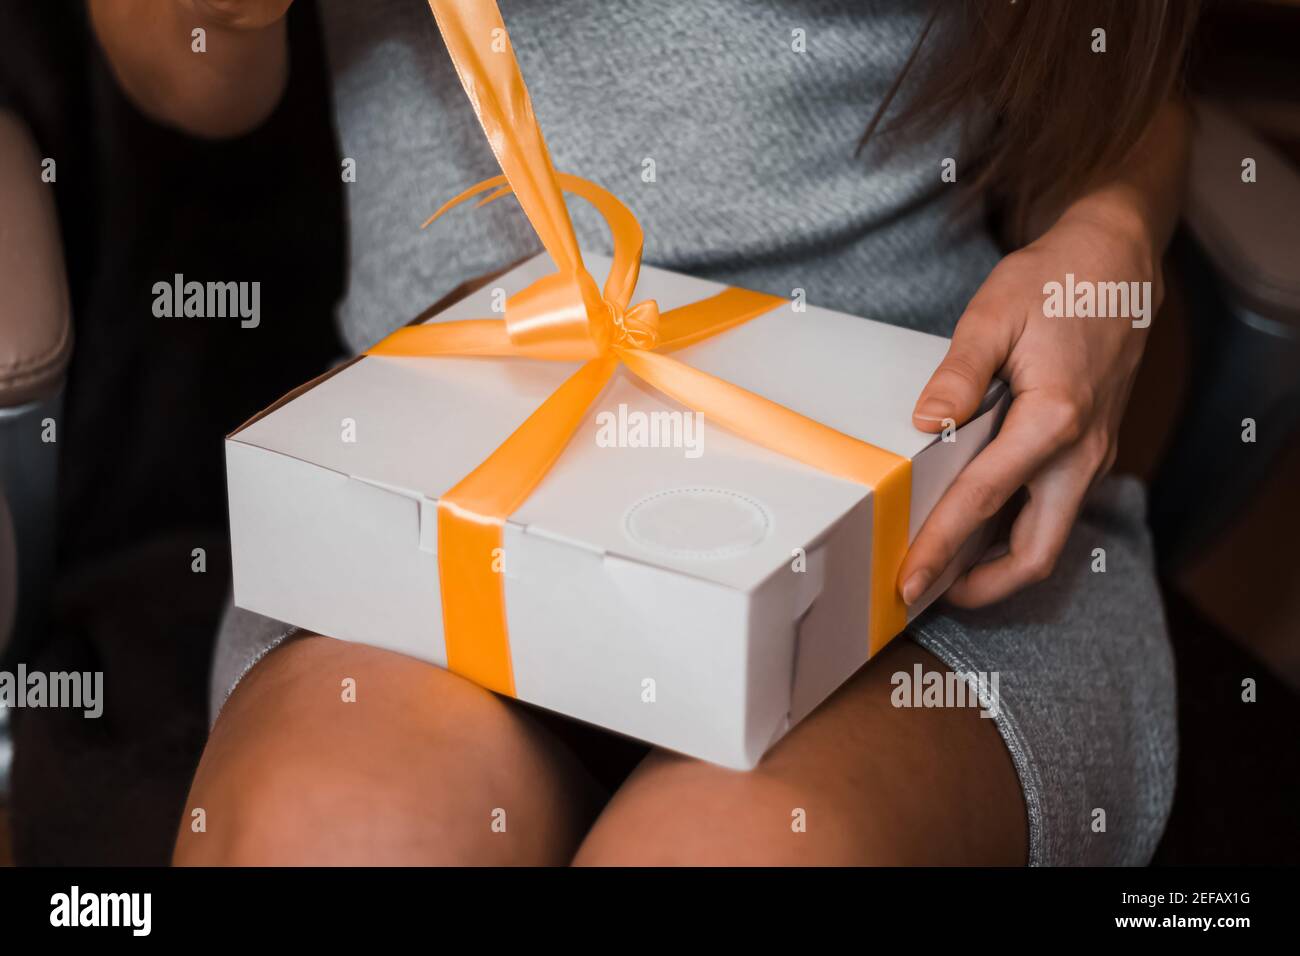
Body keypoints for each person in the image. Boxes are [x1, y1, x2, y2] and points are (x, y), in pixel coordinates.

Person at [91, 0, 1197, 865]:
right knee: (330, 837)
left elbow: (1120, 81)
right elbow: (184, 73)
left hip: (939, 477)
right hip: (431, 479)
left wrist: (1114, 231)